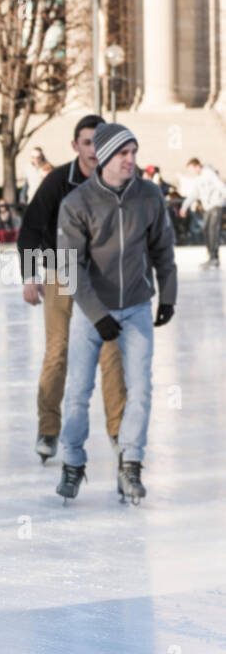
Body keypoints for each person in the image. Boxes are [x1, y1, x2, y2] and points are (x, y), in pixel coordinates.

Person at [55, 124, 177, 504]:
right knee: (77, 392)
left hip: (138, 305)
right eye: (123, 153)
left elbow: (163, 251)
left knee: (140, 390)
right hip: (93, 311)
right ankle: (73, 462)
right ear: (105, 157)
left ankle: (131, 464)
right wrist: (96, 314)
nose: (131, 160)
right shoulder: (77, 204)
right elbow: (69, 268)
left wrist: (167, 296)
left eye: (134, 152)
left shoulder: (149, 195)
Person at [19, 113, 124, 464]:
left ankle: (118, 431)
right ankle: (48, 429)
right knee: (58, 352)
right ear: (75, 145)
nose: (94, 149)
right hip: (61, 273)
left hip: (102, 279)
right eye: (87, 142)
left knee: (111, 354)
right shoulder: (57, 181)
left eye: (100, 141)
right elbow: (32, 228)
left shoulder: (119, 180)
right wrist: (31, 274)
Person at [177, 157, 226, 269]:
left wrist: (221, 199)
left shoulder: (209, 173)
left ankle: (214, 258)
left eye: (191, 169)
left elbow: (221, 186)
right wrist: (184, 207)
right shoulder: (199, 179)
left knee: (213, 231)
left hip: (216, 205)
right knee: (206, 230)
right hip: (208, 207)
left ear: (197, 166)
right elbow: (194, 193)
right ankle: (211, 257)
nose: (191, 172)